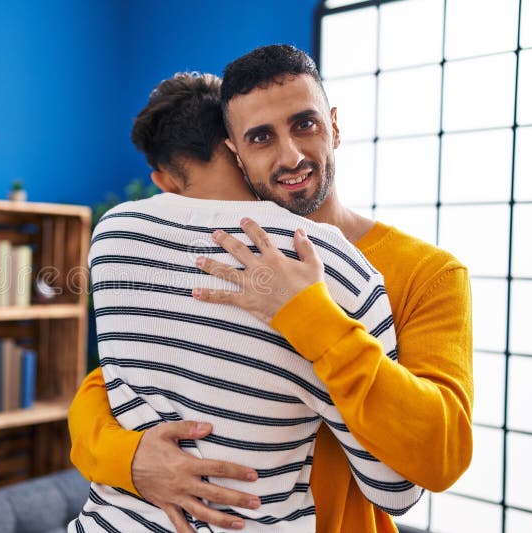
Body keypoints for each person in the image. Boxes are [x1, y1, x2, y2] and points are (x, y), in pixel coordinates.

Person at [69, 45, 473, 533]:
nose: (291, 155)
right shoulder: (218, 257)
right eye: (261, 137)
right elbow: (109, 385)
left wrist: (308, 315)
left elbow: (439, 457)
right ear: (236, 153)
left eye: (305, 124)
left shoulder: (426, 273)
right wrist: (131, 459)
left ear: (335, 126)